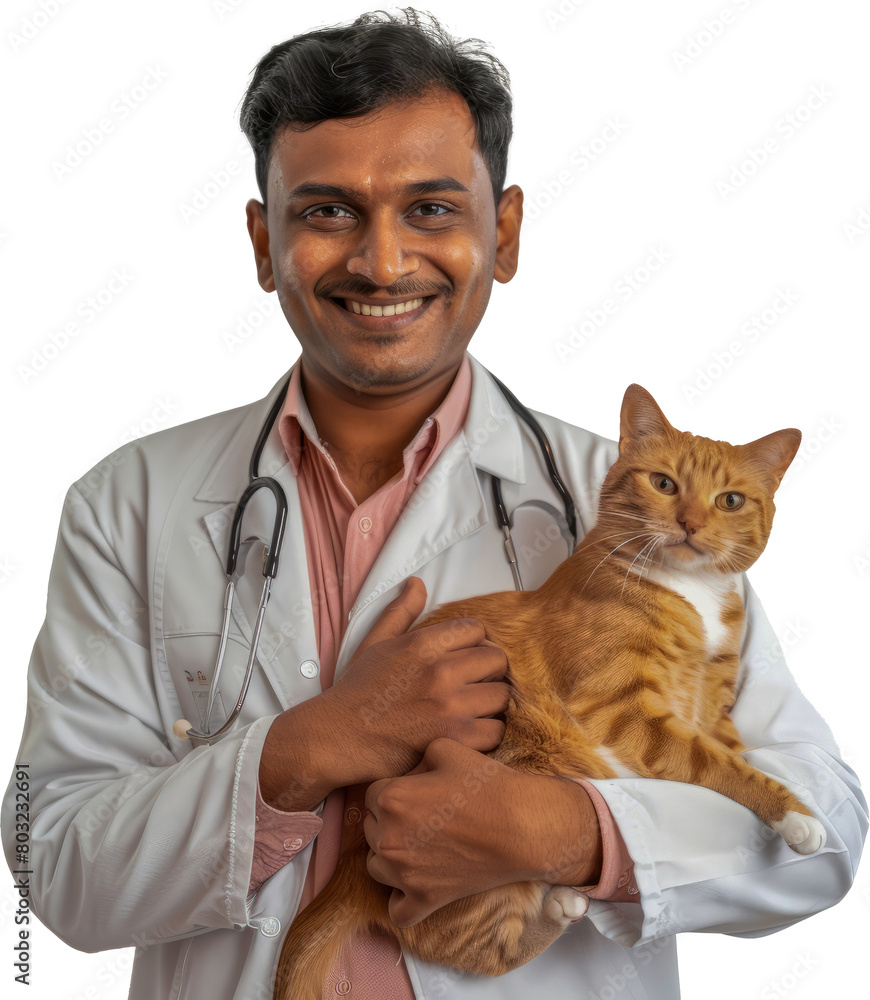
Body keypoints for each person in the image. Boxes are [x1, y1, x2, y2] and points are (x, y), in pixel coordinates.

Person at [2, 9, 865, 999]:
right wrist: (313, 747)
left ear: (503, 234)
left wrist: (561, 829)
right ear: (260, 238)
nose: (381, 260)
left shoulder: (642, 506)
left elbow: (826, 832)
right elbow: (51, 857)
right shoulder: (127, 504)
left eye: (431, 210)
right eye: (327, 210)